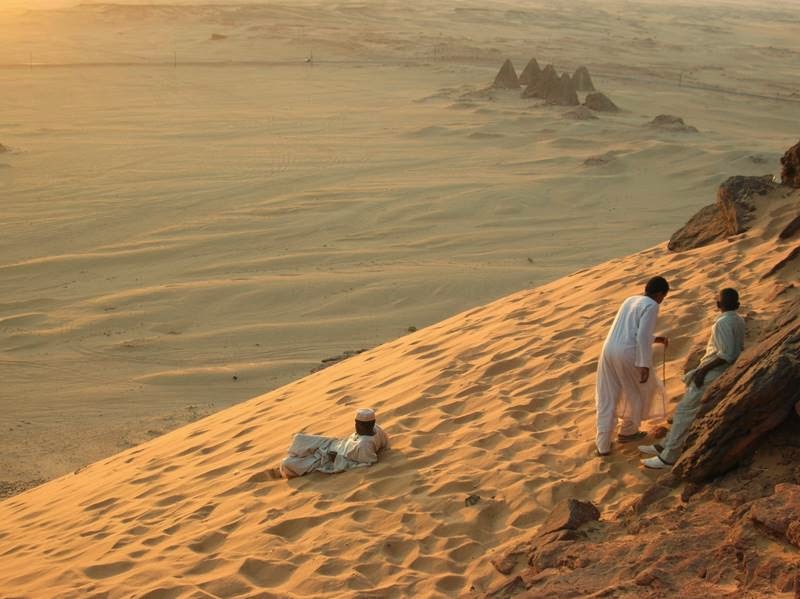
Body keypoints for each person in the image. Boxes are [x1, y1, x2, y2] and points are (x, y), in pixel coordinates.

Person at [640, 288, 745, 469]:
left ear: (718, 305)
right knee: (683, 410)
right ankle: (663, 446)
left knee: (684, 413)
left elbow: (726, 354)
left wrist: (702, 371)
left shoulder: (722, 323)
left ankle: (668, 457)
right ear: (737, 304)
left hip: (714, 372)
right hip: (720, 369)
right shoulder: (739, 320)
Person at [595, 276, 670, 456]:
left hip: (608, 350)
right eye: (664, 296)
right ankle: (628, 431)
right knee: (637, 392)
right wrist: (644, 365)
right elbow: (642, 336)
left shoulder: (630, 299)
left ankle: (603, 445)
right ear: (660, 294)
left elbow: (630, 331)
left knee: (608, 395)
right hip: (628, 353)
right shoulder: (652, 306)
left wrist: (658, 339)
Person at [279, 408, 389, 478]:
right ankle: (297, 454)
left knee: (288, 463)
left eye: (358, 424)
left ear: (363, 424)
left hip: (331, 457)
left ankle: (292, 466)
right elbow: (384, 442)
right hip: (336, 443)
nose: (356, 426)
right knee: (300, 438)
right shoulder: (376, 428)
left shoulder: (365, 445)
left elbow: (365, 464)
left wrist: (336, 459)